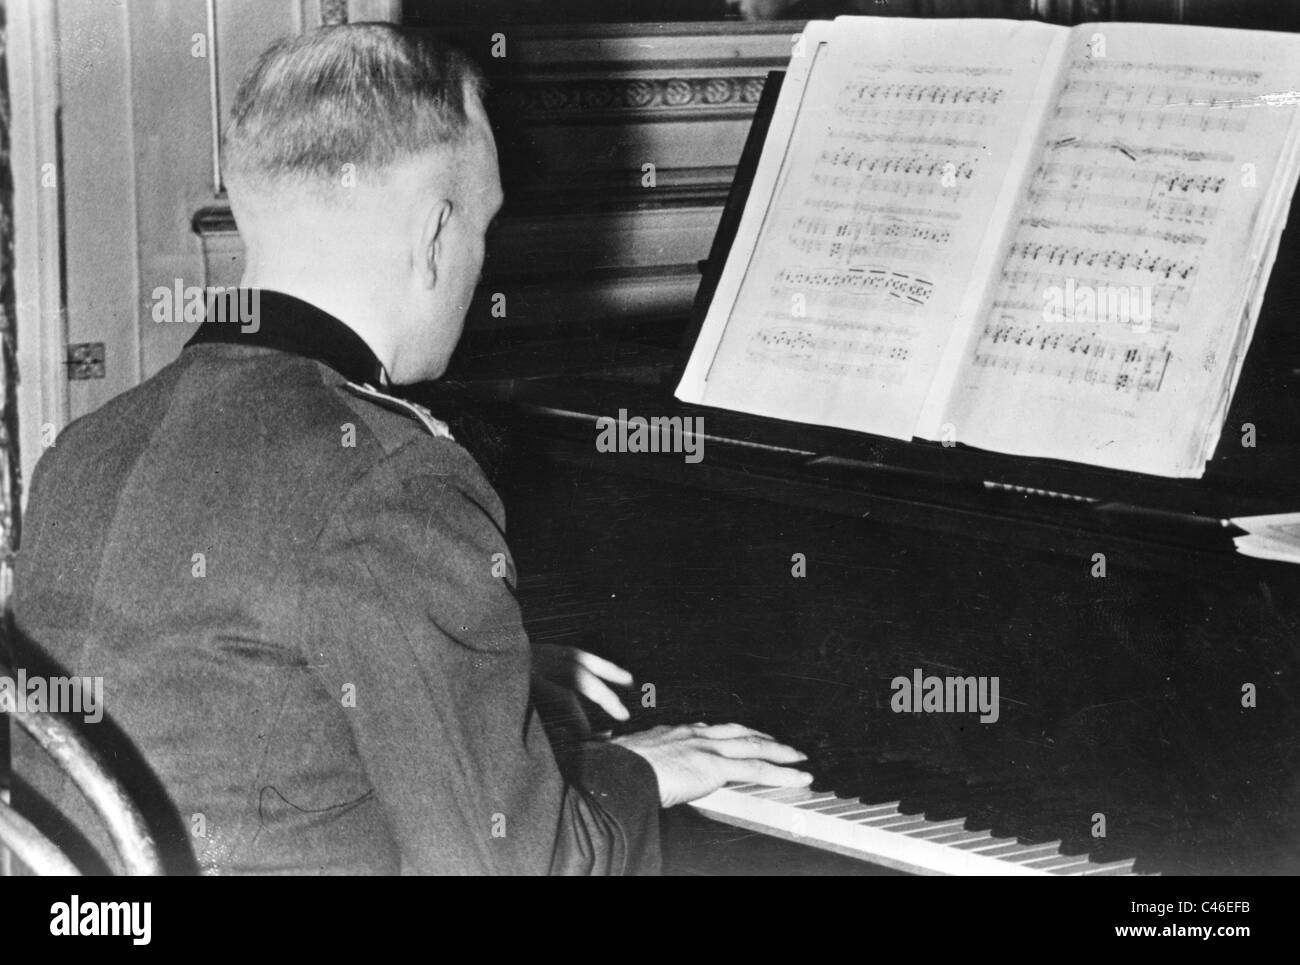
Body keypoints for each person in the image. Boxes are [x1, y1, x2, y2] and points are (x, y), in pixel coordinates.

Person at [10, 23, 810, 875]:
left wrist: (480, 683)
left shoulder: (89, 446)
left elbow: (221, 696)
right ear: (435, 234)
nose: (479, 262)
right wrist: (639, 770)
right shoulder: (393, 474)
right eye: (484, 226)